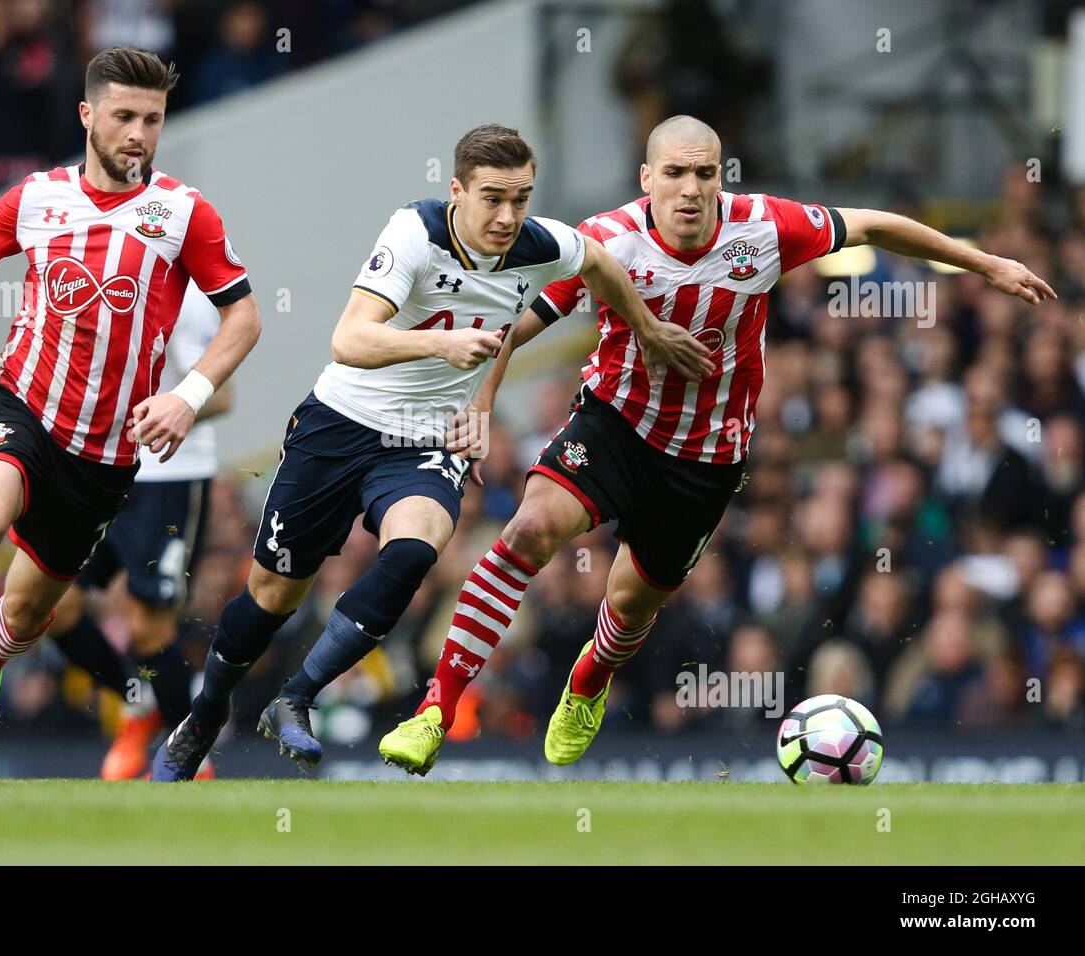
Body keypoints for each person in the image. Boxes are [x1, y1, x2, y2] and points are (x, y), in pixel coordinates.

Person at [378, 114, 1056, 775]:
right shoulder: (607, 237)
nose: (691, 188)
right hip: (614, 423)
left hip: (705, 458)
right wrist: (483, 404)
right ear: (649, 178)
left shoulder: (764, 226)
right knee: (528, 531)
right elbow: (515, 322)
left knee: (630, 604)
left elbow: (874, 224)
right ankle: (435, 710)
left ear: (720, 176)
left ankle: (590, 679)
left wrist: (982, 263)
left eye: (704, 173)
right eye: (674, 172)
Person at [150, 123, 705, 780]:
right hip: (341, 423)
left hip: (423, 439)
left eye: (520, 198)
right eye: (493, 198)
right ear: (457, 191)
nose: (507, 216)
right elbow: (349, 339)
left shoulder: (543, 243)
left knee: (416, 547)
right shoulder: (415, 232)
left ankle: (296, 696)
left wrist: (646, 329)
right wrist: (439, 346)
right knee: (272, 595)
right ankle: (207, 711)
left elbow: (600, 264)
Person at [0, 46, 262, 758]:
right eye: (123, 116)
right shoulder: (36, 198)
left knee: (29, 612)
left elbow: (244, 316)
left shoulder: (184, 215)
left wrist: (188, 395)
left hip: (105, 458)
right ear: (88, 116)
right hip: (21, 407)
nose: (137, 134)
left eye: (152, 119)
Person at [48, 280, 232, 779]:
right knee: (49, 604)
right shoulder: (95, 277)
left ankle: (186, 756)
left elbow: (222, 395)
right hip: (97, 470)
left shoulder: (190, 296)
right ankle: (137, 699)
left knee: (147, 625)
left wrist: (162, 412)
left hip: (167, 476)